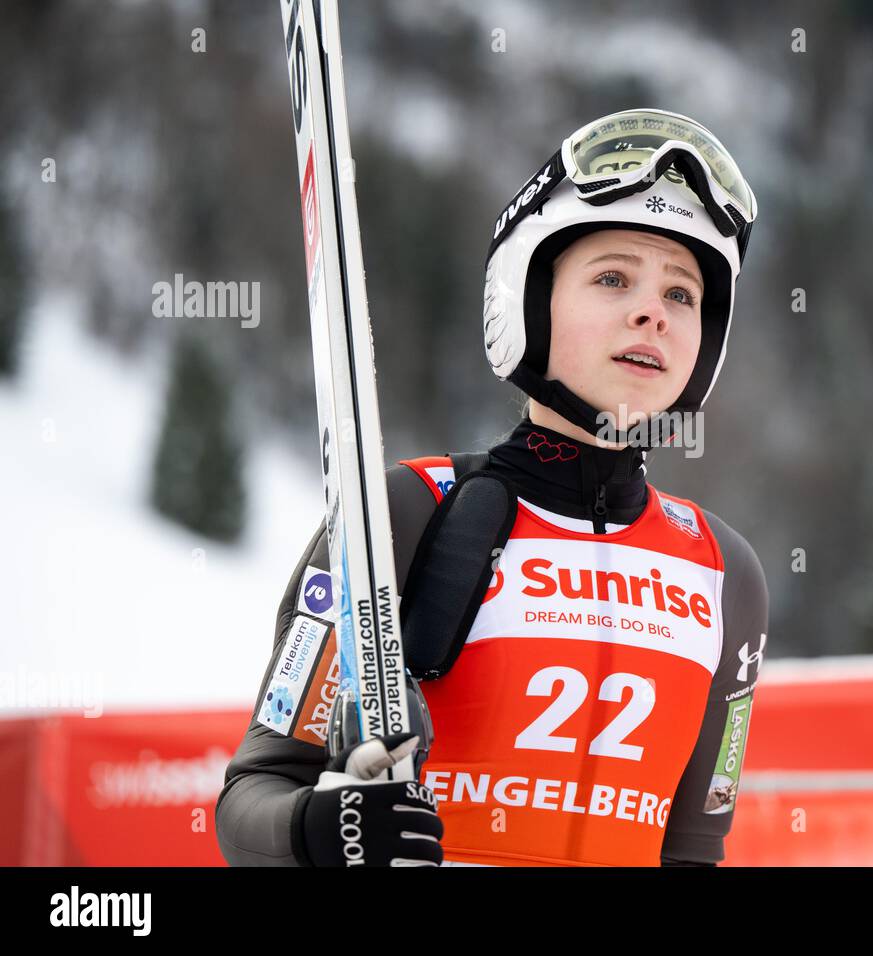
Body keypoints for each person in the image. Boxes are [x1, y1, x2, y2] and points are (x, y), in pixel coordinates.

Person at [215, 108, 769, 867]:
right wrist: (321, 828)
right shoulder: (406, 512)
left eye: (682, 295)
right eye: (612, 278)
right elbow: (251, 798)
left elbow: (696, 845)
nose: (653, 313)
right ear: (525, 300)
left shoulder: (725, 570)